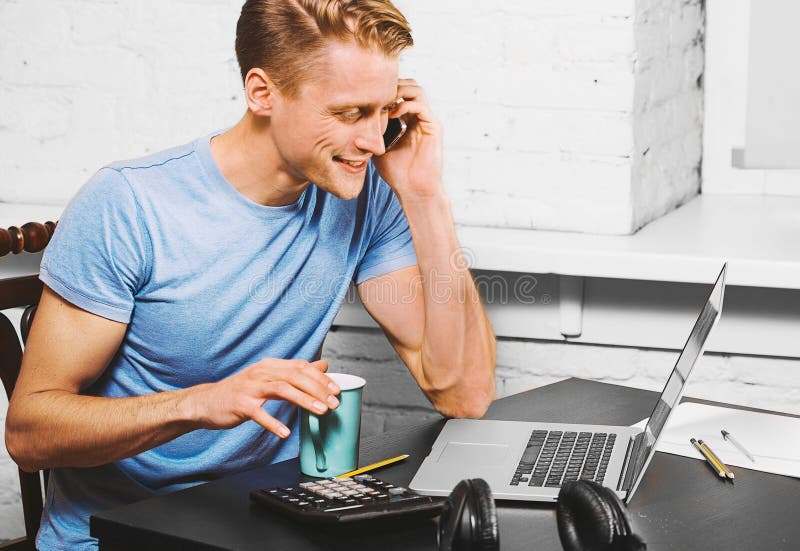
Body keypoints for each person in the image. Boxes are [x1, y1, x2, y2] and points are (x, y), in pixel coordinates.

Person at [5, 0, 496, 549]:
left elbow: (464, 395)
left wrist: (424, 195)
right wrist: (199, 403)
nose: (376, 141)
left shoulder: (363, 194)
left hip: (271, 521)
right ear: (262, 93)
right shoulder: (130, 204)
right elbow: (30, 432)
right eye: (350, 113)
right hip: (123, 533)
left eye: (385, 110)